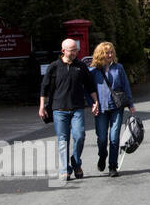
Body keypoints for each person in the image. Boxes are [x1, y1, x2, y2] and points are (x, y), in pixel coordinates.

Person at [38, 38, 99, 182]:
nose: (75, 52)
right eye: (72, 50)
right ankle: (65, 169)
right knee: (62, 140)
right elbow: (44, 87)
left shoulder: (81, 66)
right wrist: (42, 106)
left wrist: (95, 102)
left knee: (79, 136)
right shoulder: (54, 66)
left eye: (76, 50)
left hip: (77, 108)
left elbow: (90, 85)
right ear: (63, 51)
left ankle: (76, 162)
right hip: (59, 109)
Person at [89, 41, 135, 178]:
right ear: (100, 54)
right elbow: (88, 89)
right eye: (107, 52)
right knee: (102, 138)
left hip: (116, 107)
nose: (110, 55)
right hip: (101, 108)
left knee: (114, 138)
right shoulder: (93, 70)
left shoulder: (118, 68)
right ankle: (102, 155)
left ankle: (112, 166)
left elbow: (126, 86)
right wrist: (92, 103)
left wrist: (130, 104)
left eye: (111, 52)